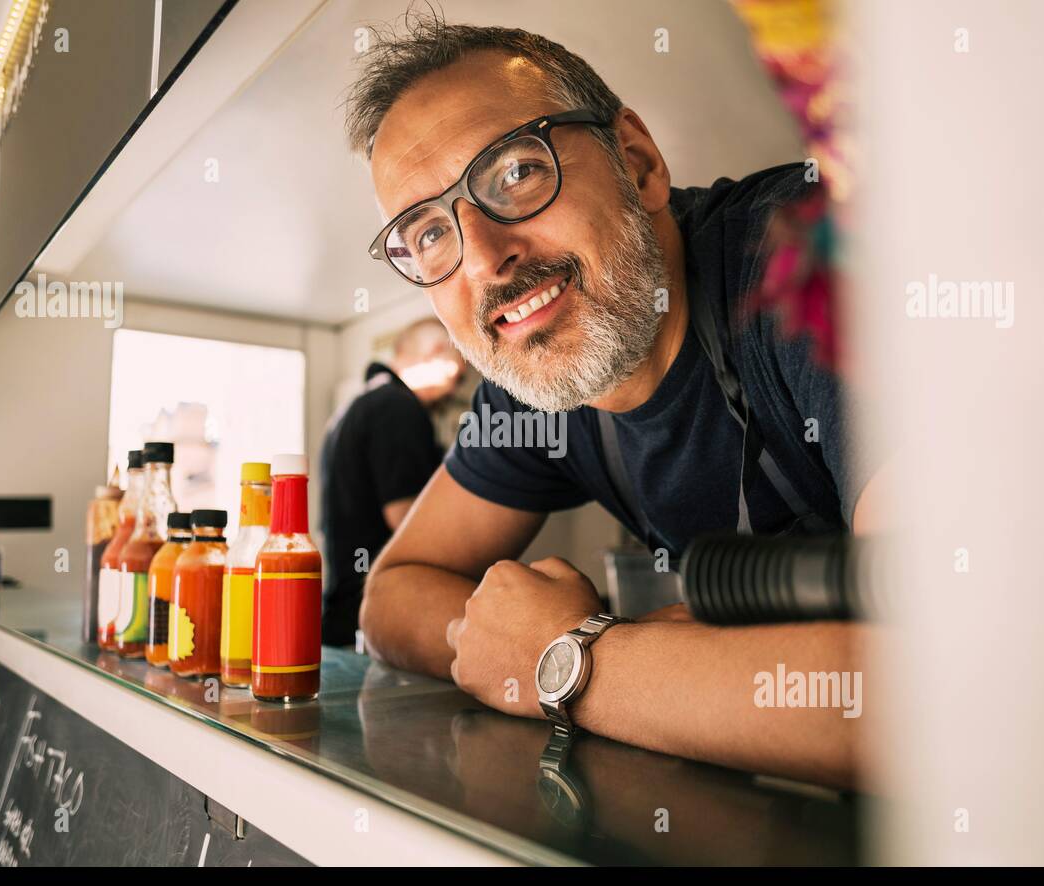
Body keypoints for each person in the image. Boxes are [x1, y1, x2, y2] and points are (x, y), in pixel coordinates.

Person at [346, 13, 889, 788]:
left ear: (637, 163)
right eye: (429, 233)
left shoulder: (809, 262)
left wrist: (570, 659)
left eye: (514, 173)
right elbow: (393, 596)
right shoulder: (528, 393)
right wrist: (589, 649)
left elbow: (956, 680)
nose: (487, 260)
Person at [319, 317, 464, 646]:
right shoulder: (398, 407)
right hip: (375, 619)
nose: (455, 391)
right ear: (438, 353)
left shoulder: (354, 406)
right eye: (458, 376)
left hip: (343, 610)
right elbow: (406, 517)